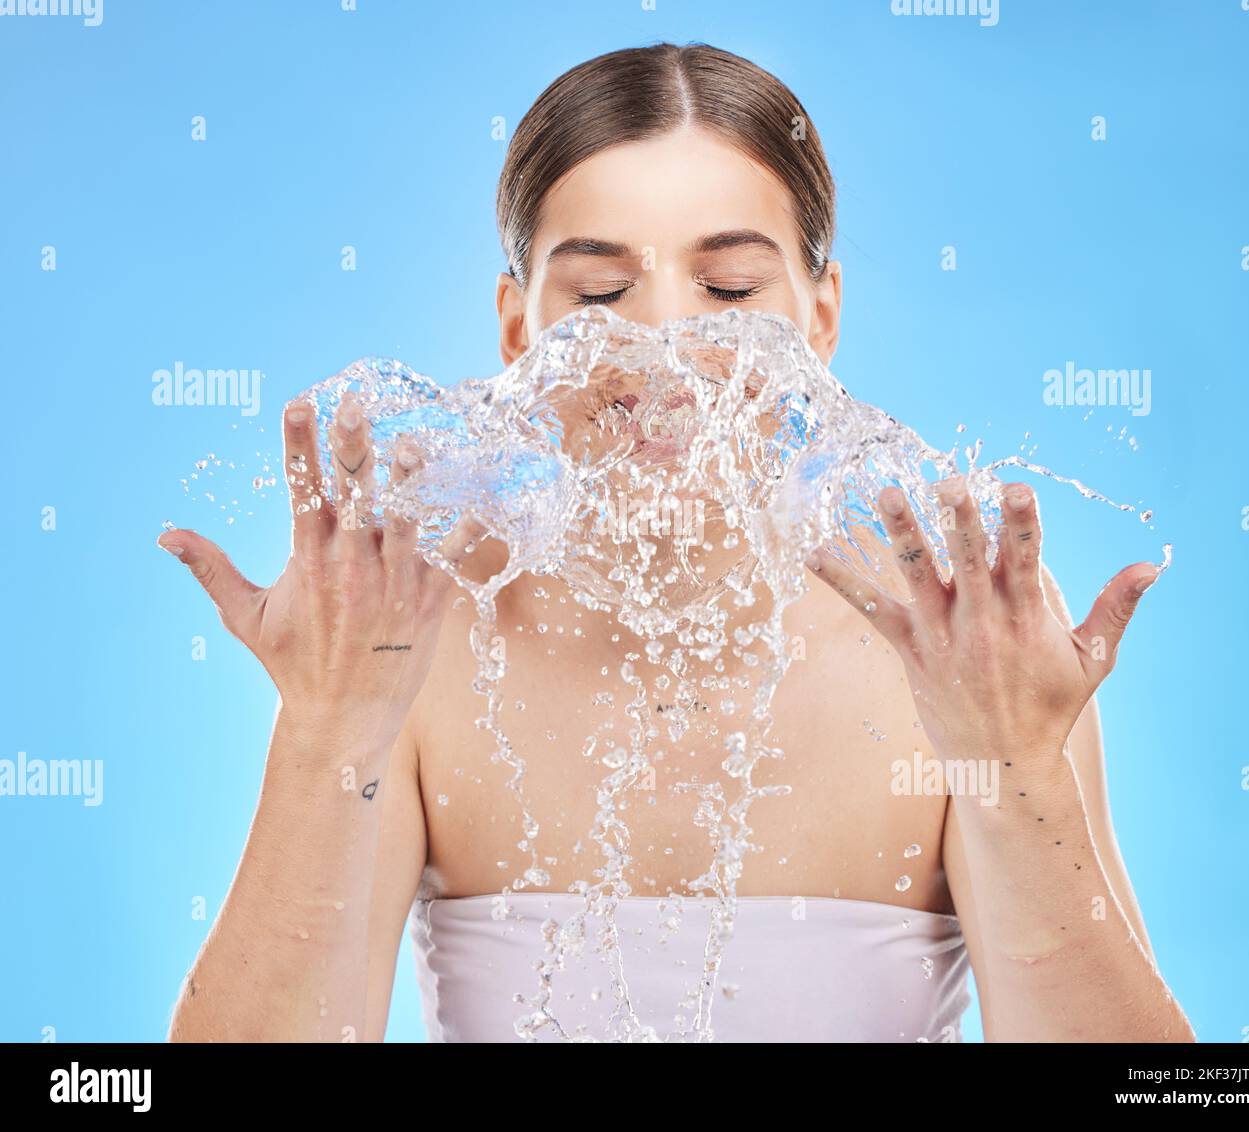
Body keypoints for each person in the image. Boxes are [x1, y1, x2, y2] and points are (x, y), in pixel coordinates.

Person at [160, 42, 1194, 1043]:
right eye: (600, 294)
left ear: (821, 316)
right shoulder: (419, 624)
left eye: (731, 289)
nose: (660, 348)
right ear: (517, 328)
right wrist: (328, 730)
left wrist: (1013, 770)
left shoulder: (959, 637)